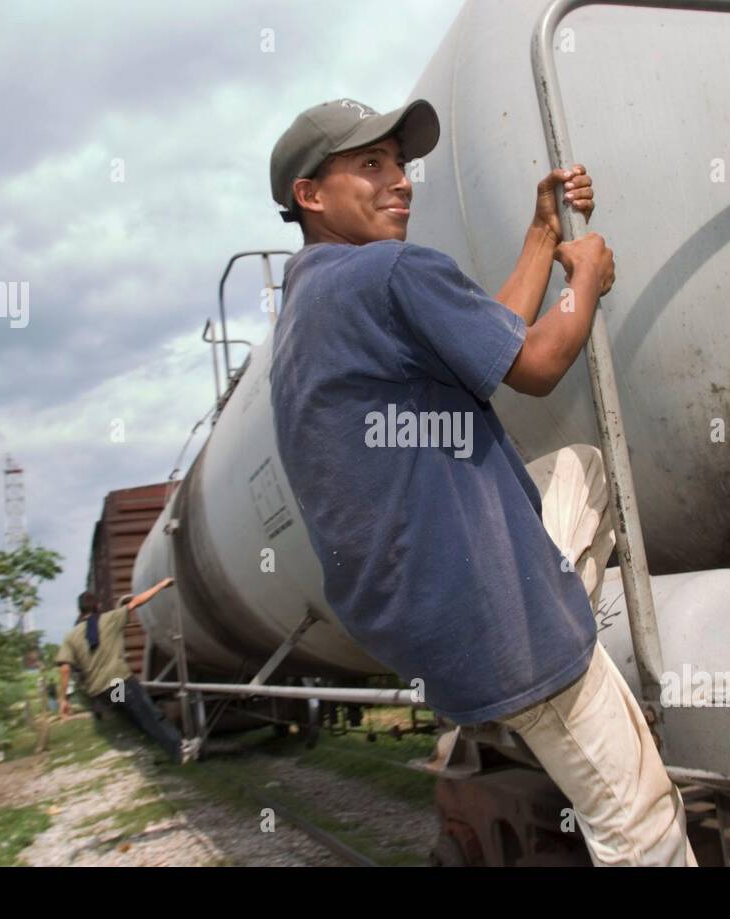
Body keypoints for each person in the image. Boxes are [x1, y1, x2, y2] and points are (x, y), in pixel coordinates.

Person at [267, 98, 695, 865]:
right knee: (642, 825)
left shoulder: (311, 306)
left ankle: (552, 664)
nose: (400, 181)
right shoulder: (388, 271)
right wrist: (585, 279)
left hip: (421, 620)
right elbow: (535, 364)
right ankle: (554, 676)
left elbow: (492, 344)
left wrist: (542, 235)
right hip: (494, 619)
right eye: (371, 165)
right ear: (309, 195)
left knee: (579, 473)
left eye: (400, 163)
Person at [56, 579, 202, 764]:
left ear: (80, 610)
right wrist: (160, 585)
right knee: (148, 713)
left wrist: (63, 699)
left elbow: (65, 668)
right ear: (97, 606)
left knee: (135, 714)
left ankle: (156, 748)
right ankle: (179, 750)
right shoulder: (110, 619)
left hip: (99, 692)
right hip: (117, 682)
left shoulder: (71, 636)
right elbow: (136, 602)